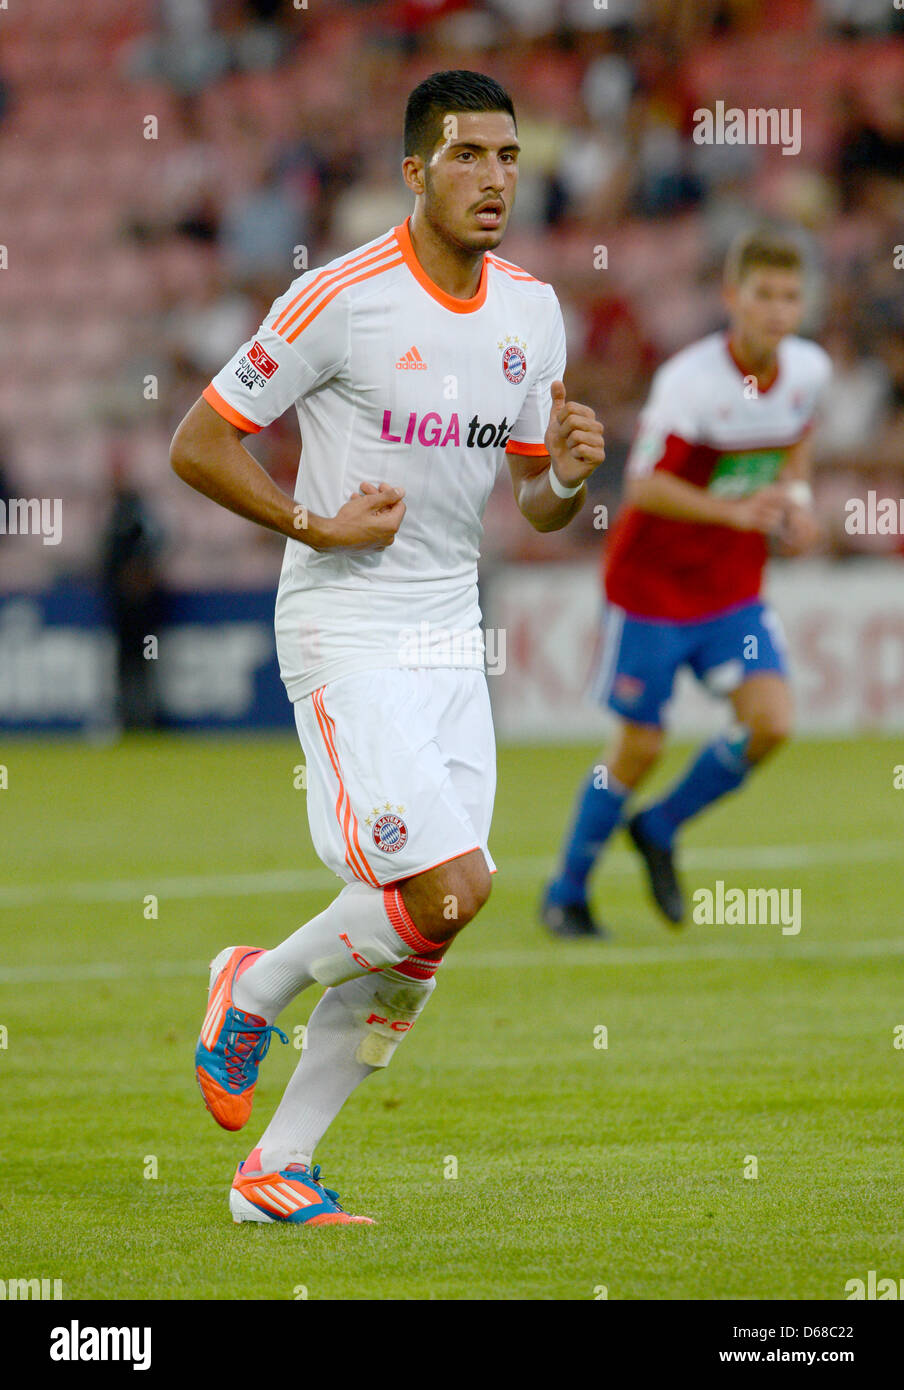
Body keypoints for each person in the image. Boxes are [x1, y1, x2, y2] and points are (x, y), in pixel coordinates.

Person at [170, 70, 605, 1225]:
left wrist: (562, 475)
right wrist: (312, 520)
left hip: (449, 639)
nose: (495, 179)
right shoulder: (341, 298)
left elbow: (535, 502)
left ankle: (279, 1167)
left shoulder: (531, 312)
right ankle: (253, 986)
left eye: (510, 158)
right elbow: (199, 441)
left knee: (435, 926)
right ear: (415, 170)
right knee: (446, 884)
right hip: (345, 625)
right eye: (469, 156)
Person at [541, 228, 831, 939]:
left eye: (790, 297)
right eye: (763, 295)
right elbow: (643, 486)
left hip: (732, 588)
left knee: (773, 722)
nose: (777, 310)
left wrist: (795, 508)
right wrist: (734, 511)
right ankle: (567, 891)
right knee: (639, 748)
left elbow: (795, 449)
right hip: (653, 590)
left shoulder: (809, 372)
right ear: (732, 297)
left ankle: (661, 827)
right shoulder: (690, 382)